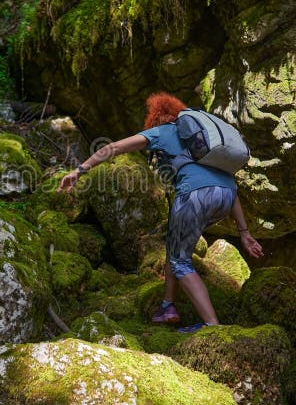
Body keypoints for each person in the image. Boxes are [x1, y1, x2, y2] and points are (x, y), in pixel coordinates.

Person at [57, 91, 264, 333]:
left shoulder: (161, 131)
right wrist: (244, 232)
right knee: (175, 247)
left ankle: (212, 326)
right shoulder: (203, 147)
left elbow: (113, 148)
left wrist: (80, 170)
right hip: (227, 197)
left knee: (180, 261)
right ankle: (168, 306)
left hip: (194, 196)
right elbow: (228, 186)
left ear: (155, 118)